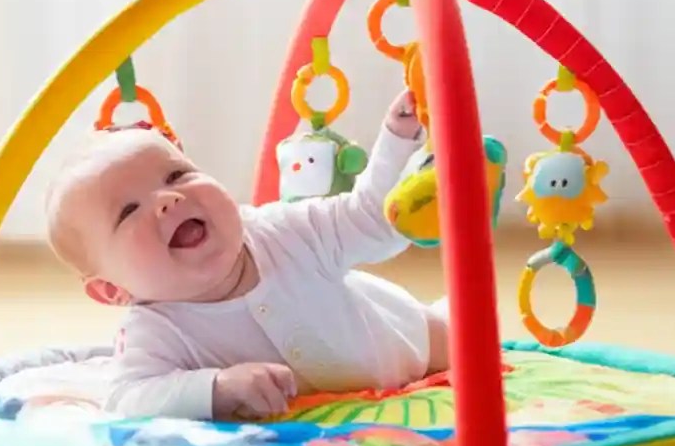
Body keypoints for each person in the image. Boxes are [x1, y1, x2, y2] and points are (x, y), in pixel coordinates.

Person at [44, 90, 449, 421]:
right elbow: (128, 399)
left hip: (411, 341)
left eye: (176, 175)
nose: (168, 199)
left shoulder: (287, 231)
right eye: (128, 211)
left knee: (464, 336)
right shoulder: (156, 330)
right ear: (112, 290)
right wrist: (218, 387)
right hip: (330, 428)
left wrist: (396, 139)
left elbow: (370, 220)